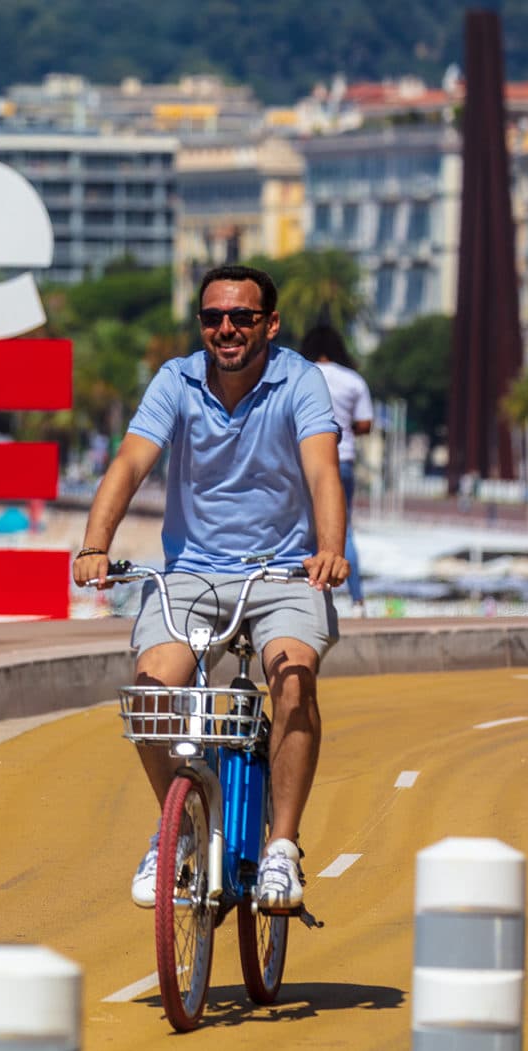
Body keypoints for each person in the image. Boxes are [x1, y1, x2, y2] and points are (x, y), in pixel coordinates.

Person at [71, 264, 348, 913]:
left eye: (242, 317)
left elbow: (322, 470)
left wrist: (330, 548)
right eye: (213, 317)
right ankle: (182, 831)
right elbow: (130, 462)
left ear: (270, 325)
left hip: (284, 572)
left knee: (294, 681)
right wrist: (94, 545)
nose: (226, 328)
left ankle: (281, 847)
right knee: (151, 695)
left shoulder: (299, 381)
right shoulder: (177, 380)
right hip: (192, 573)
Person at [300, 322, 374, 616]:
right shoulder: (353, 380)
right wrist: (346, 426)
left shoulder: (301, 375)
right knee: (346, 530)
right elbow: (366, 423)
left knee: (305, 528)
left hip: (307, 460)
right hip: (343, 458)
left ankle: (310, 596)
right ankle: (357, 601)